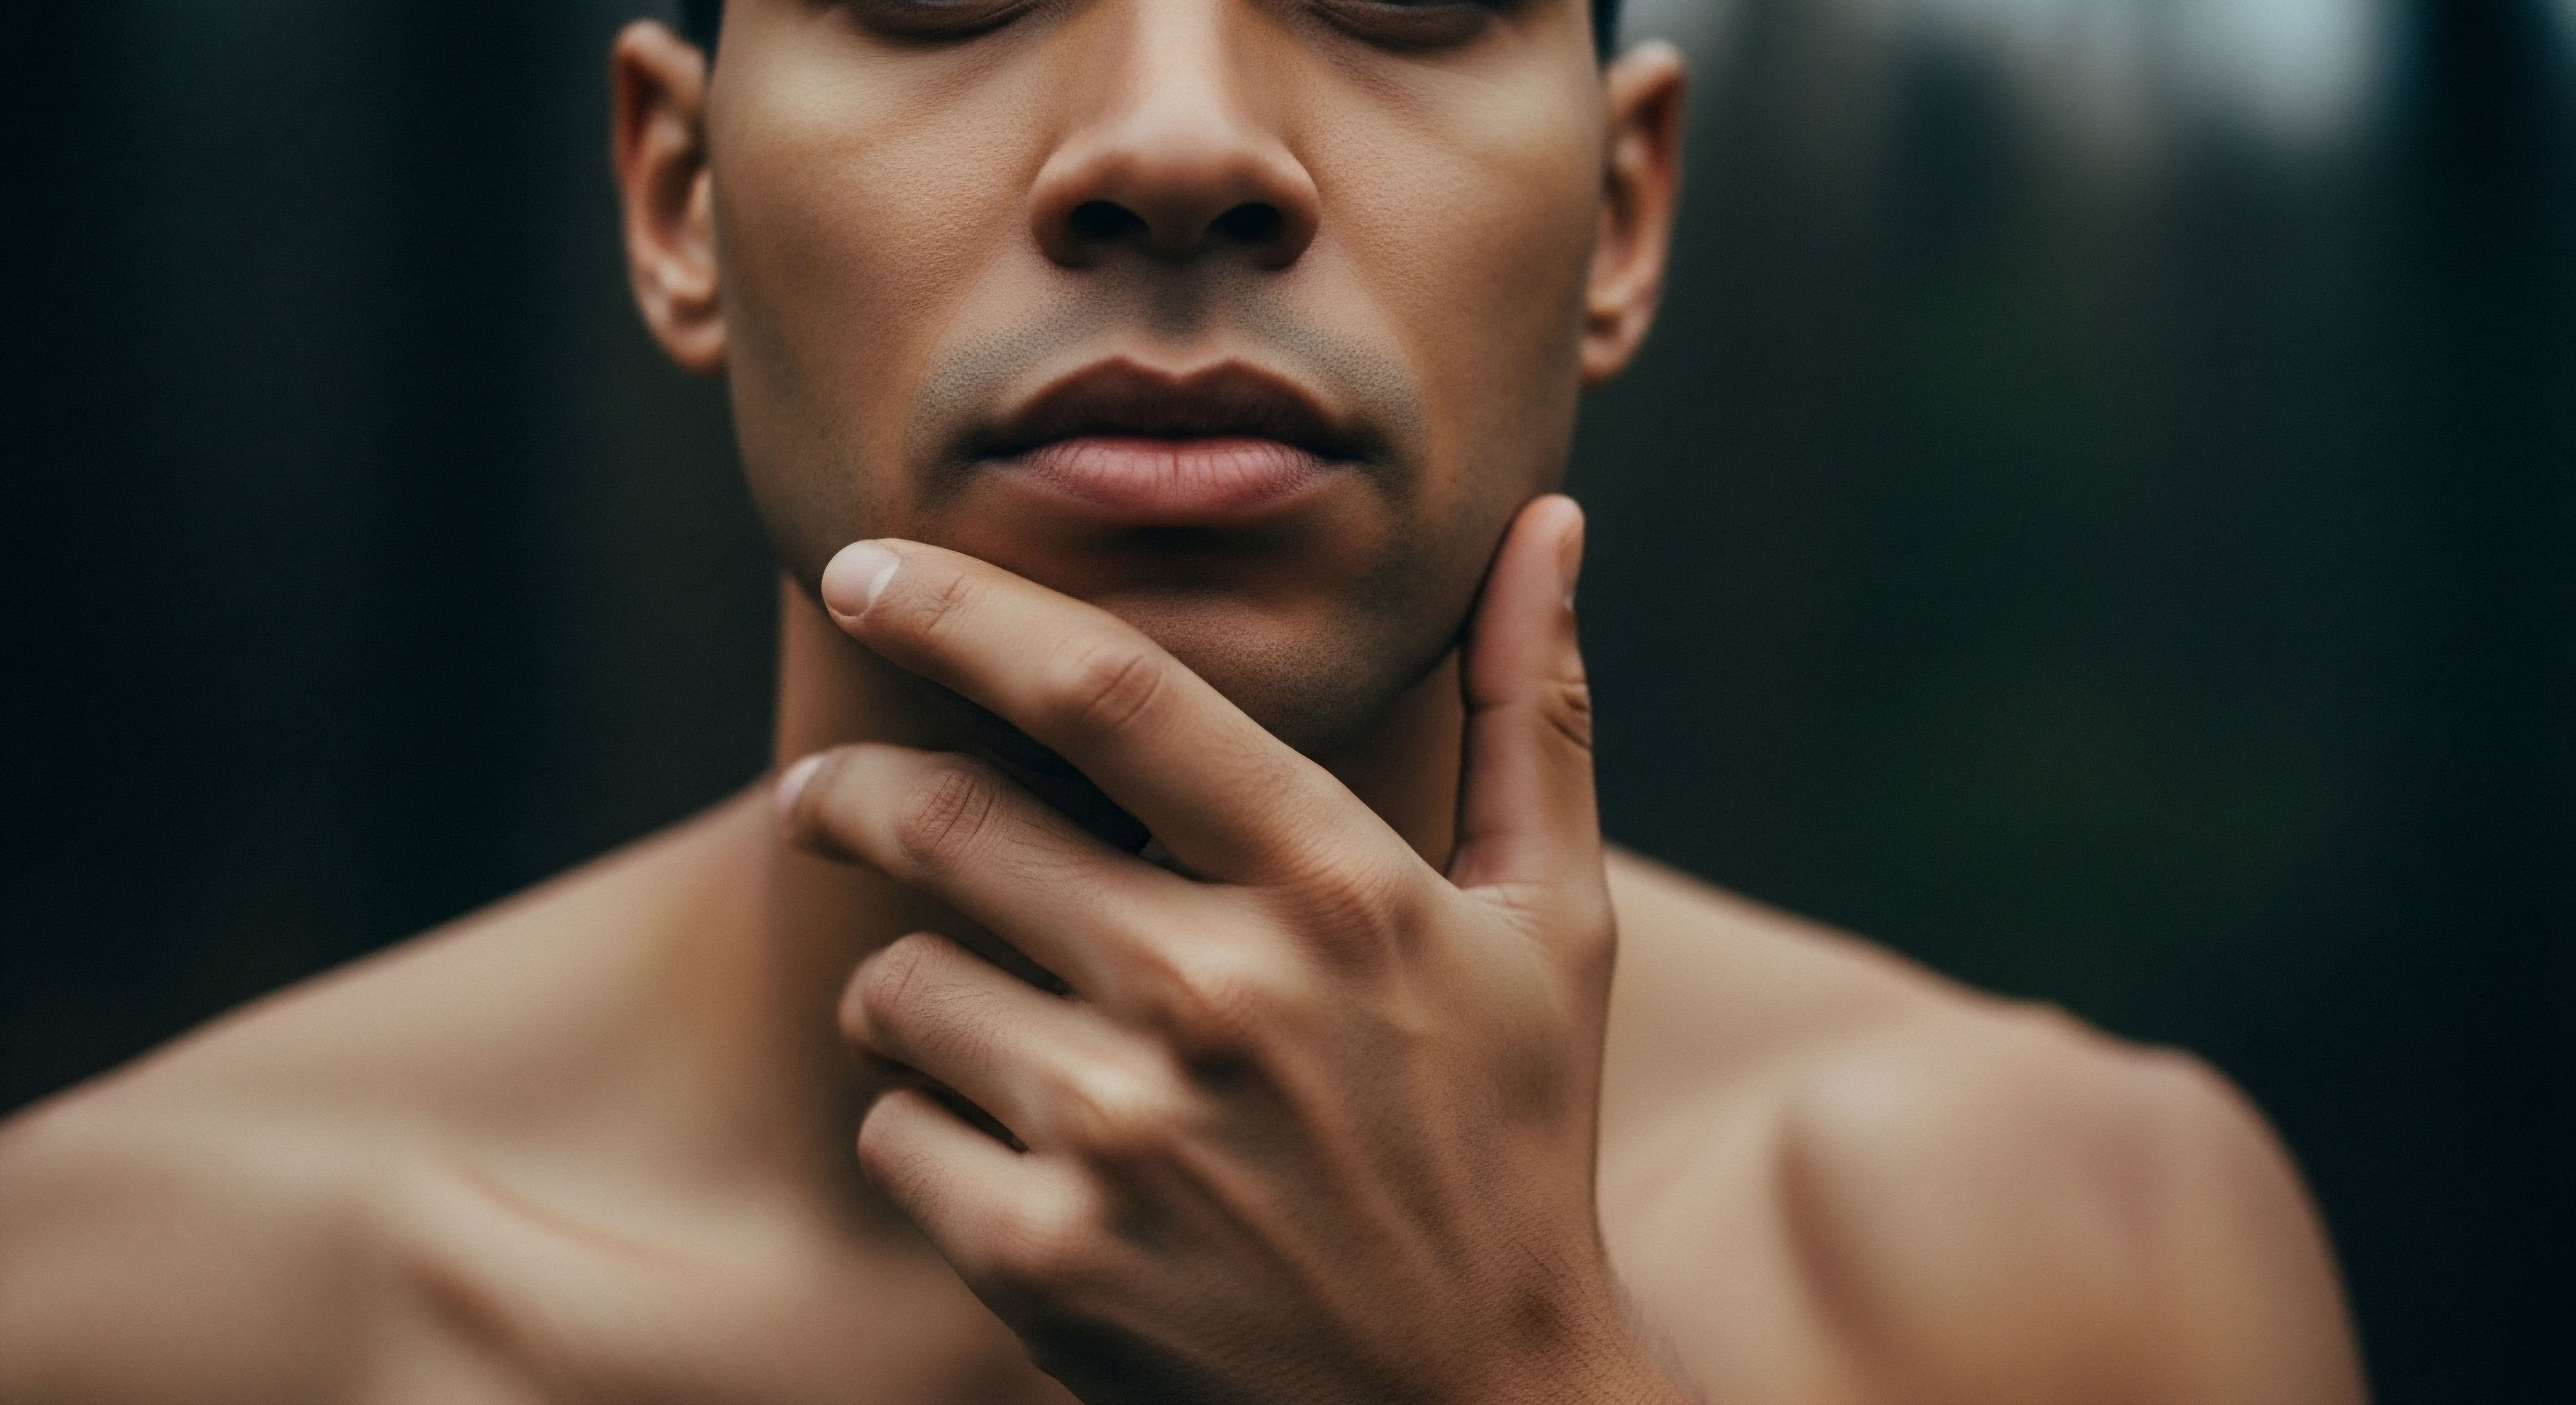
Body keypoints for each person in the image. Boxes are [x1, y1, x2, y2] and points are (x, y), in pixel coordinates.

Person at [0, 0, 2366, 1400]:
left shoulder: (2086, 1269)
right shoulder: (112, 1315)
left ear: (1626, 220)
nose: (1177, 142)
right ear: (677, 204)